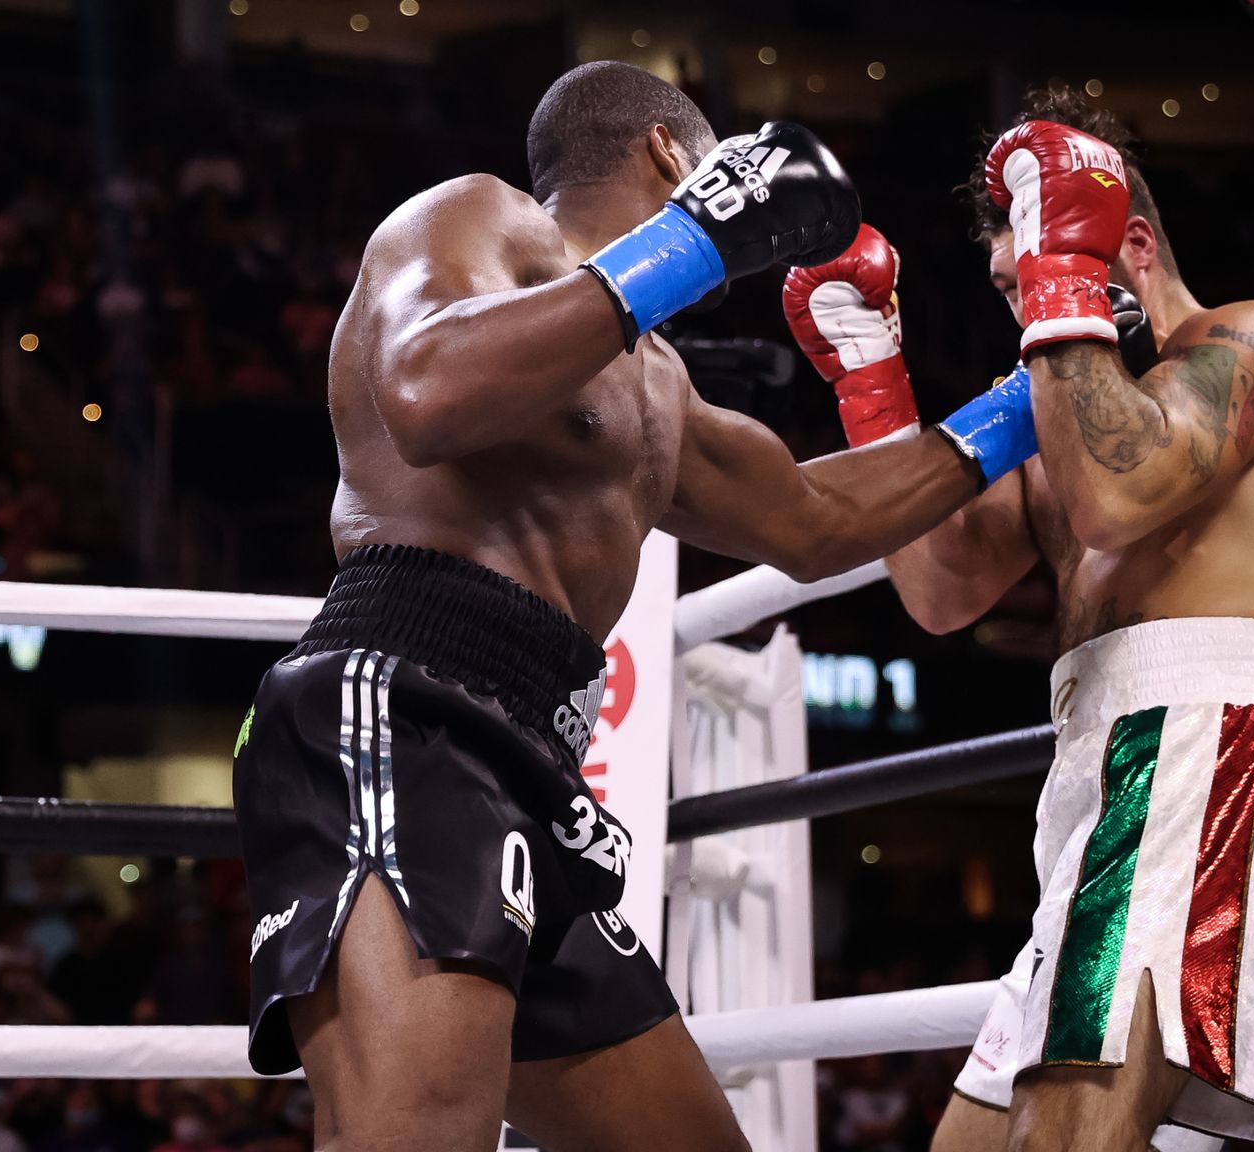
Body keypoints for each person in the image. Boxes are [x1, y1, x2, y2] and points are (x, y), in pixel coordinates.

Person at [233, 61, 1037, 1152]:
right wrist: (697, 238)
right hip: (407, 705)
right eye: (712, 182)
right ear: (673, 156)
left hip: (535, 763)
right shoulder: (481, 219)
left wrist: (1027, 401)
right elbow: (423, 393)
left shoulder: (653, 383)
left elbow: (813, 524)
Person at [807, 88, 1254, 1150]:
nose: (1026, 310)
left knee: (1061, 1136)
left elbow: (1117, 491)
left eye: (1044, 266)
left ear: (1126, 244)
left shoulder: (1246, 342)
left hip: (1206, 744)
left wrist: (1064, 286)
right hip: (1092, 780)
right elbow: (939, 589)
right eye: (1012, 285)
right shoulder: (1047, 402)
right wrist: (871, 381)